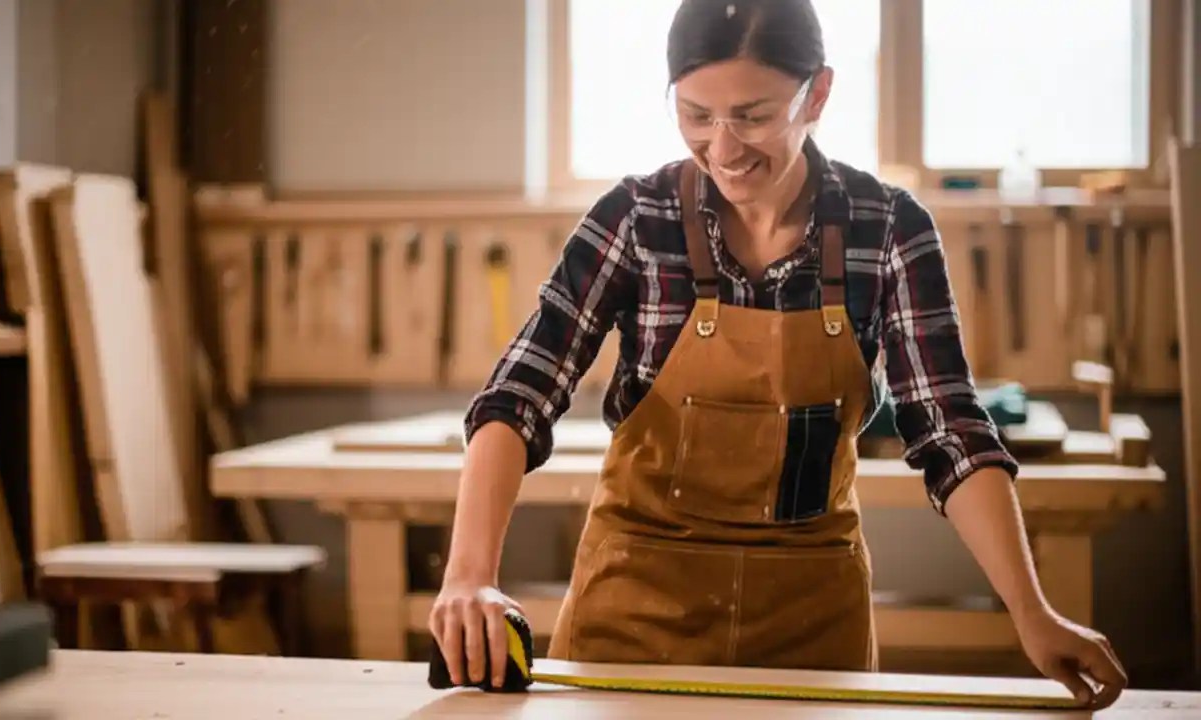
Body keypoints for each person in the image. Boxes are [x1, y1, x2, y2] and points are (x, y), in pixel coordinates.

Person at [429, 0, 1127, 709]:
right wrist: (468, 575)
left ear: (816, 94)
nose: (725, 148)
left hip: (812, 622)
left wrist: (1030, 613)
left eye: (753, 116)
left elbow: (950, 430)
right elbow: (521, 392)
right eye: (697, 116)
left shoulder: (887, 228)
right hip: (635, 612)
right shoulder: (637, 219)